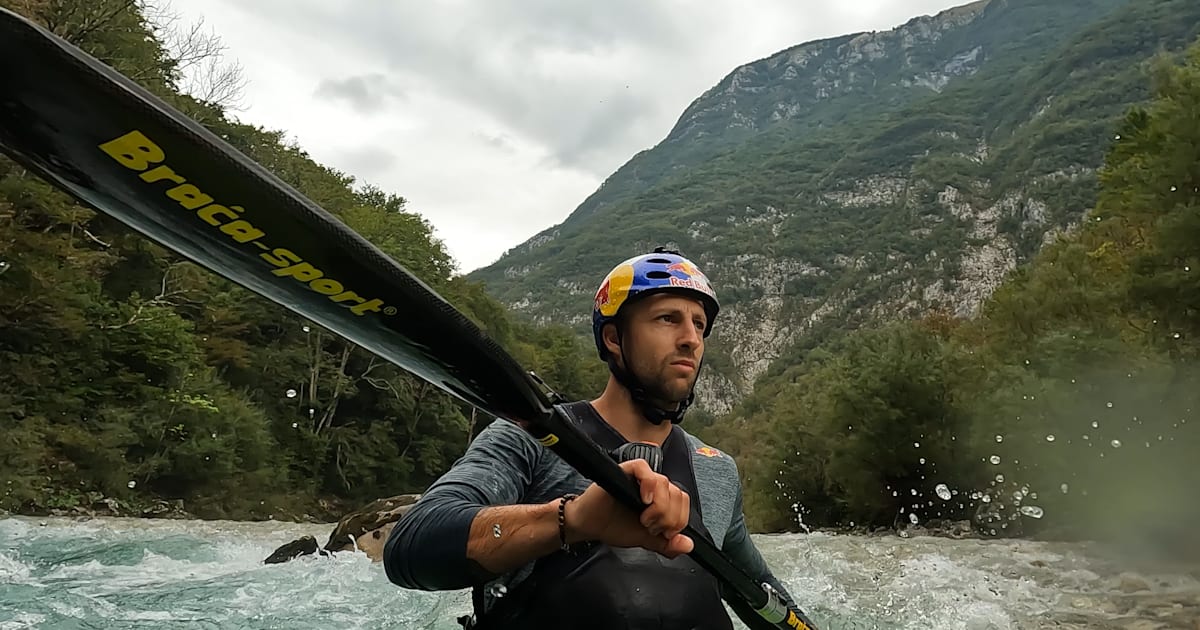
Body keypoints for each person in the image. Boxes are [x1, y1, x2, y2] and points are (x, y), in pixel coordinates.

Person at [383, 247, 797, 629]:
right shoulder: (530, 436)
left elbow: (761, 593)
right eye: (667, 318)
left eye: (700, 325)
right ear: (615, 338)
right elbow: (411, 547)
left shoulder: (716, 469)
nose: (691, 338)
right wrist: (571, 520)